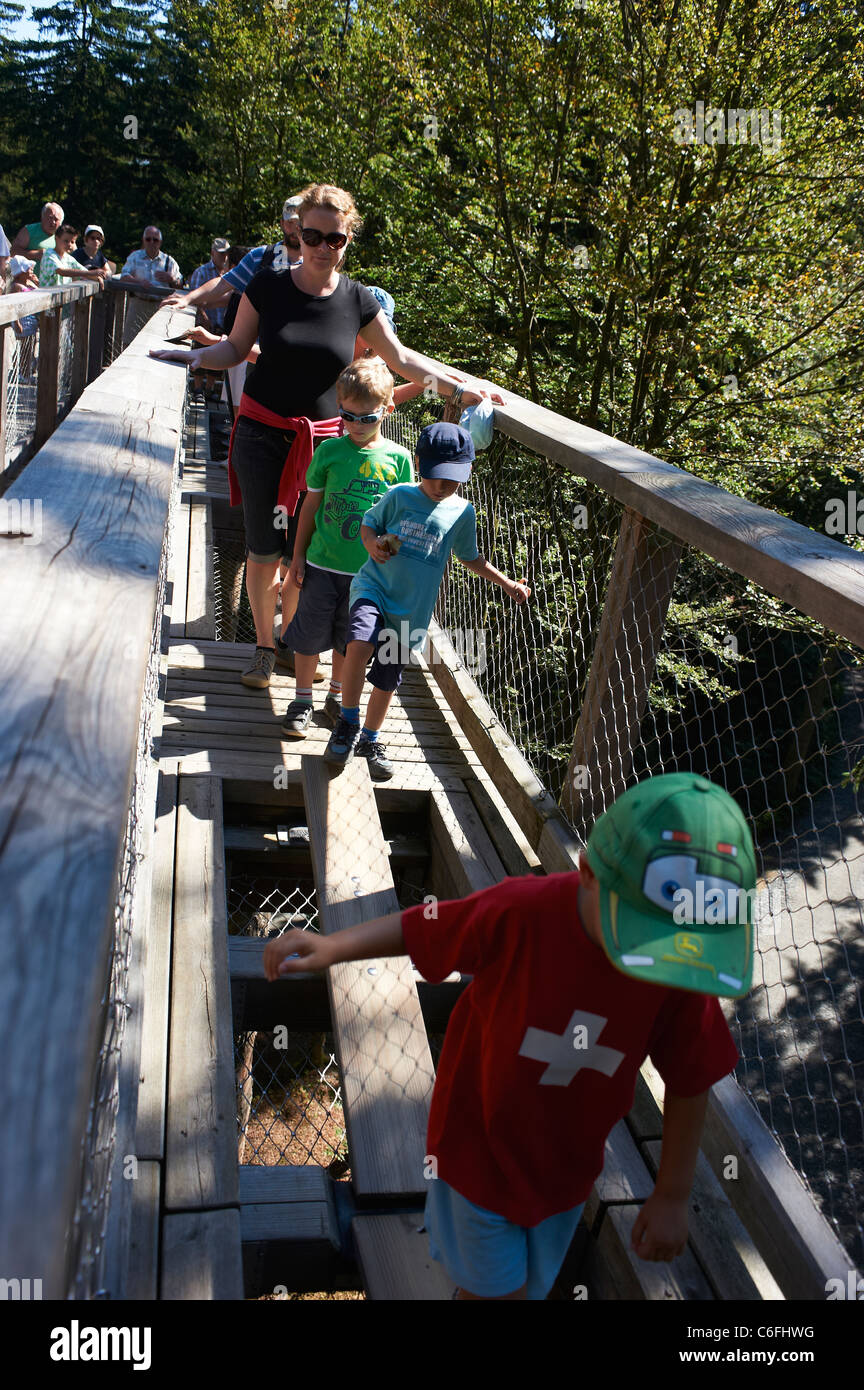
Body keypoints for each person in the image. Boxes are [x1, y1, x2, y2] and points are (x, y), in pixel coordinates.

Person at [264, 771, 755, 1299]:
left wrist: (673, 1194)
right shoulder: (522, 912)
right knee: (498, 1293)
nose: (653, 963)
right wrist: (335, 945)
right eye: (637, 936)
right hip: (478, 1151)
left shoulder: (674, 965)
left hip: (565, 1173)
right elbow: (431, 923)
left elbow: (690, 1076)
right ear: (589, 873)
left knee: (523, 1286)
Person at [148, 183, 502, 693]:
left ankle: (295, 643)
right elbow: (234, 348)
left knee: (306, 551)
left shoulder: (357, 301)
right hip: (261, 435)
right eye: (310, 235)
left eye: (333, 239)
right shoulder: (267, 287)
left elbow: (403, 361)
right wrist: (198, 357)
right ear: (297, 234)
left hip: (326, 445)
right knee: (264, 549)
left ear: (347, 240)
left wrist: (466, 388)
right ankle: (266, 651)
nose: (320, 246)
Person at [322, 423, 527, 781]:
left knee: (387, 678)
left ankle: (370, 739)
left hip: (411, 609)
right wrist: (371, 545)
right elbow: (368, 526)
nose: (442, 486)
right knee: (358, 645)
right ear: (418, 464)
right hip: (374, 588)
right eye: (435, 477)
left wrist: (507, 582)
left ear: (467, 472)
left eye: (452, 478)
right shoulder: (400, 495)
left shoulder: (462, 512)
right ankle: (347, 722)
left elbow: (469, 557)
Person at [278, 356, 413, 730]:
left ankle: (335, 699)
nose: (355, 425)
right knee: (306, 636)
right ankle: (301, 701)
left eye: (366, 418)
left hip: (367, 577)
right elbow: (310, 506)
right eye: (347, 416)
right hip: (322, 563)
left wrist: (392, 552)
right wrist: (298, 555)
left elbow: (402, 520)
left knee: (348, 641)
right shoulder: (329, 452)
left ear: (386, 411)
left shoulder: (399, 461)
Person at [163, 197, 303, 317]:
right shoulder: (261, 257)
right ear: (282, 224)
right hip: (257, 346)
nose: (295, 229)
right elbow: (223, 283)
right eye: (290, 223)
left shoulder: (318, 263)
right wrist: (187, 299)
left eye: (299, 223)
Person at [39, 225, 107, 288]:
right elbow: (61, 271)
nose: (69, 245)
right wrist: (91, 273)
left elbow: (82, 271)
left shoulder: (68, 258)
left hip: (61, 297)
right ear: (56, 238)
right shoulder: (49, 254)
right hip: (47, 298)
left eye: (72, 242)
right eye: (66, 241)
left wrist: (97, 278)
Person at [189, 237, 231, 331]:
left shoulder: (230, 273)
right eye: (221, 253)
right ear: (212, 253)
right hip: (206, 329)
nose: (225, 257)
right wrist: (204, 319)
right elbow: (195, 301)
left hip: (225, 331)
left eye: (227, 253)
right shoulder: (201, 272)